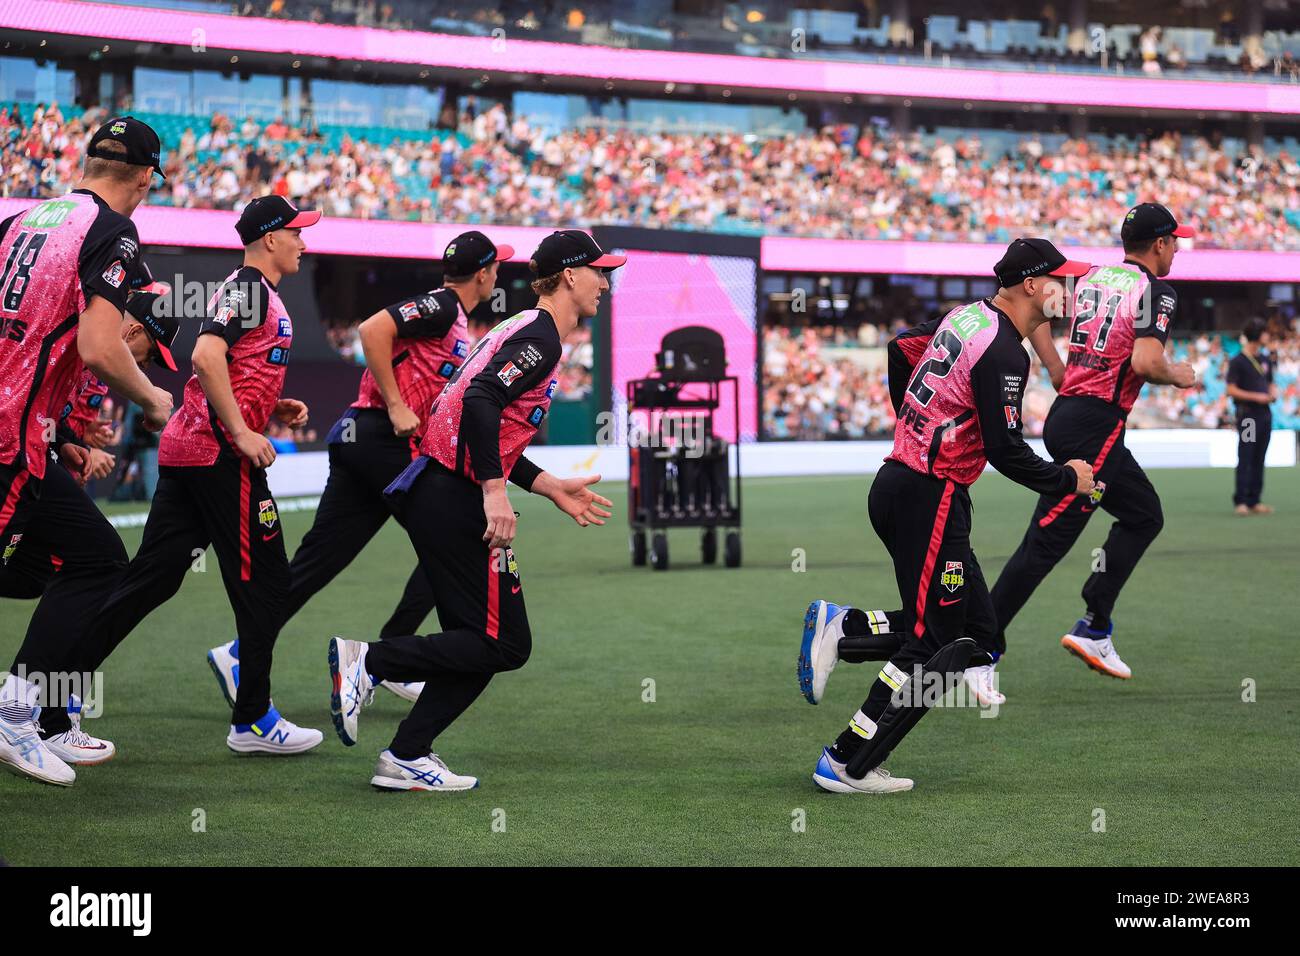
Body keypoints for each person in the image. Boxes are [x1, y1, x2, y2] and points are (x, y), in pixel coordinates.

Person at [327, 230, 621, 792]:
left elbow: (482, 417)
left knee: (486, 641)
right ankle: (369, 663)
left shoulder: (521, 328)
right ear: (568, 277)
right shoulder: (540, 337)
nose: (604, 283)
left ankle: (407, 753)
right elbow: (483, 400)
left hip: (442, 491)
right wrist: (493, 489)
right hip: (456, 497)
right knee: (504, 643)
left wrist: (546, 484)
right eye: (598, 272)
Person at [801, 238, 1094, 795]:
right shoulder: (1005, 350)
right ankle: (848, 759)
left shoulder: (966, 318)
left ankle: (847, 630)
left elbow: (899, 348)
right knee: (933, 638)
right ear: (1032, 285)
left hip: (909, 486)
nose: (1069, 289)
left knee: (978, 634)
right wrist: (1067, 480)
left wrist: (917, 429)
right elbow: (1008, 452)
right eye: (1062, 280)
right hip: (927, 494)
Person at [206, 230, 514, 707]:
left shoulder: (448, 314)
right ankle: (394, 653)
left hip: (360, 442)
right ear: (484, 273)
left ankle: (242, 651)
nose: (498, 274)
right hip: (383, 442)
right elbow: (372, 329)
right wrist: (395, 405)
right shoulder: (444, 307)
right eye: (497, 267)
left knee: (317, 561)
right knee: (459, 541)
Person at [71, 195, 325, 758]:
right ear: (270, 239)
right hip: (218, 457)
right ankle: (253, 718)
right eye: (298, 233)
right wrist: (241, 431)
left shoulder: (256, 292)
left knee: (153, 580)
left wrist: (269, 407)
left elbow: (232, 365)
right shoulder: (250, 288)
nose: (305, 243)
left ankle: (55, 689)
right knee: (267, 583)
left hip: (192, 451)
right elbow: (207, 358)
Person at [0, 117, 176, 787]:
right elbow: (100, 347)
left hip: (26, 435)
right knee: (94, 561)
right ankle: (18, 717)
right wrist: (155, 400)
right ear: (143, 177)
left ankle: (28, 715)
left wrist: (62, 432)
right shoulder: (112, 231)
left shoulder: (21, 220)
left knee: (96, 558)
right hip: (7, 435)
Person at [989, 203, 1199, 681]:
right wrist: (1177, 375)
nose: (1177, 251)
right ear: (1161, 244)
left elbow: (1037, 310)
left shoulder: (1093, 277)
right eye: (1174, 242)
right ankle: (981, 647)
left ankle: (1095, 624)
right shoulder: (1156, 291)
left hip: (1076, 415)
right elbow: (1146, 362)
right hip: (1096, 427)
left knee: (1144, 515)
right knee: (1045, 543)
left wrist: (1057, 369)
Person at [1225, 317, 1275, 515]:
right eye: (1265, 332)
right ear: (1257, 334)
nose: (1268, 335)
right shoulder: (1238, 361)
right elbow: (1230, 389)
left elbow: (1270, 381)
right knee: (1246, 456)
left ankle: (1254, 500)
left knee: (1260, 457)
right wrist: (1258, 397)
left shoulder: (1265, 359)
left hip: (1264, 415)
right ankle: (1241, 501)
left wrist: (1272, 392)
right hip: (1248, 416)